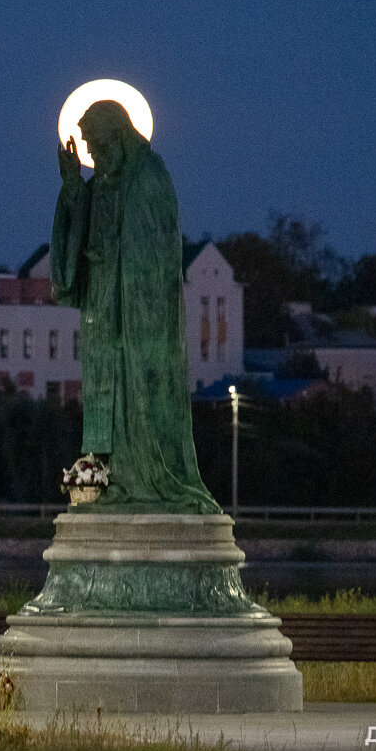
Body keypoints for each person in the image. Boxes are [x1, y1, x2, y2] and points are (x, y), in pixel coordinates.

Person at [51, 99, 221, 515]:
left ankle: (143, 473)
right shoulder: (102, 184)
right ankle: (101, 474)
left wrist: (129, 296)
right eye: (89, 151)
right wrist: (73, 187)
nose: (94, 157)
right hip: (103, 308)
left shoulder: (148, 176)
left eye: (99, 148)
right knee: (104, 390)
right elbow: (75, 245)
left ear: (118, 137)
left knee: (139, 390)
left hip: (139, 312)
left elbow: (155, 253)